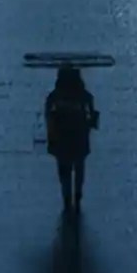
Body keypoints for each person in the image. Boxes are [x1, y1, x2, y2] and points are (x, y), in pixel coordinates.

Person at [45, 67, 97, 212]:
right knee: (79, 166)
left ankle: (67, 196)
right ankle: (77, 194)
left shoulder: (56, 95)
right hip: (79, 133)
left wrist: (50, 131)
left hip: (61, 135)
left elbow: (48, 111)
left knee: (64, 168)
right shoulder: (82, 94)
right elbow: (91, 106)